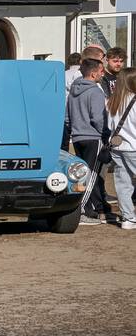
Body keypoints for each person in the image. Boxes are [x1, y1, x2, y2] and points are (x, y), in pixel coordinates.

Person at [67, 57, 111, 224]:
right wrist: (106, 134)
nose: (102, 74)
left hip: (77, 137)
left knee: (81, 175)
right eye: (101, 71)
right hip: (93, 137)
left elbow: (67, 116)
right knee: (91, 175)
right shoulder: (95, 92)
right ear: (93, 74)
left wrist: (72, 130)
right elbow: (98, 118)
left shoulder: (73, 90)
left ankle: (90, 208)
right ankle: (81, 211)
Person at [107, 68, 136, 231]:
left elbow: (108, 126)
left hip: (117, 147)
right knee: (124, 183)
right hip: (133, 147)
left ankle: (127, 217)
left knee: (123, 184)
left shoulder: (112, 101)